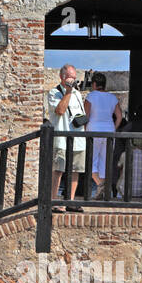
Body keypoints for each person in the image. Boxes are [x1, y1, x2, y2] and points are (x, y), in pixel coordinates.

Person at [44, 64, 87, 211]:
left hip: (78, 138)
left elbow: (81, 114)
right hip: (61, 138)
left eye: (75, 78)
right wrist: (68, 92)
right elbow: (60, 110)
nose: (73, 80)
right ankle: (54, 201)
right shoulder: (54, 93)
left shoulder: (77, 93)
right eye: (70, 77)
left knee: (76, 169)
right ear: (62, 77)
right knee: (58, 170)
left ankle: (70, 200)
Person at [84, 72, 123, 199]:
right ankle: (102, 190)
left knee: (91, 160)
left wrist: (84, 131)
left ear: (94, 84)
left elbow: (86, 116)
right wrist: (113, 128)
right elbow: (119, 117)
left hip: (93, 130)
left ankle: (101, 185)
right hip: (109, 131)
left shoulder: (91, 96)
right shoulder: (112, 97)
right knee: (105, 162)